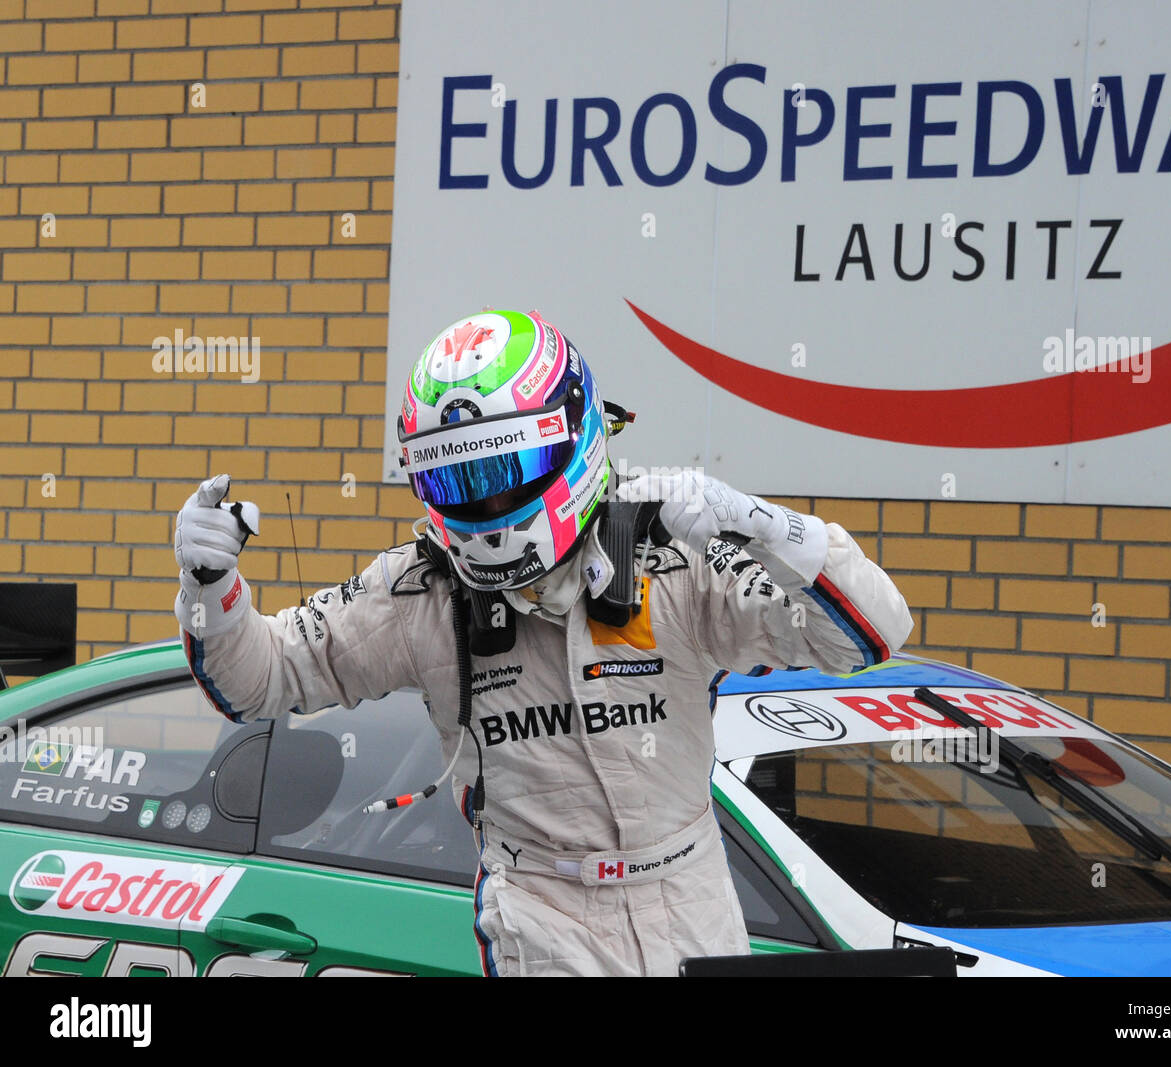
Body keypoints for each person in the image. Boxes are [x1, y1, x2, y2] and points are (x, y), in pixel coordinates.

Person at [173, 308, 913, 976]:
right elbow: (258, 680)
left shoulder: (675, 552)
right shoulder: (419, 591)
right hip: (542, 911)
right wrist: (210, 590)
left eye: (502, 470)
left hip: (694, 900)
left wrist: (757, 521)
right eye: (458, 478)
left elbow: (872, 632)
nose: (487, 503)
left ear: (576, 436)